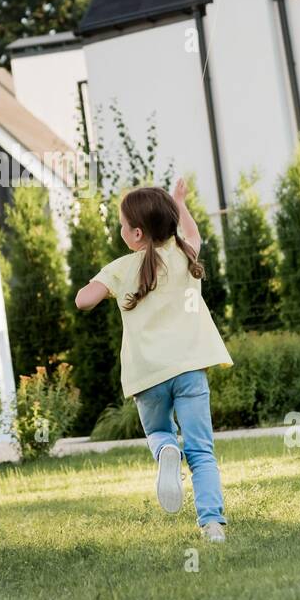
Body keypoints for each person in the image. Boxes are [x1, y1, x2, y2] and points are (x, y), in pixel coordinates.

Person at [75, 179, 233, 541]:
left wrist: (101, 281)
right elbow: (193, 233)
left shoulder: (120, 269)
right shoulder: (185, 257)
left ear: (135, 233)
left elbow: (83, 301)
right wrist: (180, 203)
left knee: (161, 432)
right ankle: (212, 524)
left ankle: (165, 450)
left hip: (149, 377)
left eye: (120, 224)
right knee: (202, 451)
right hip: (191, 370)